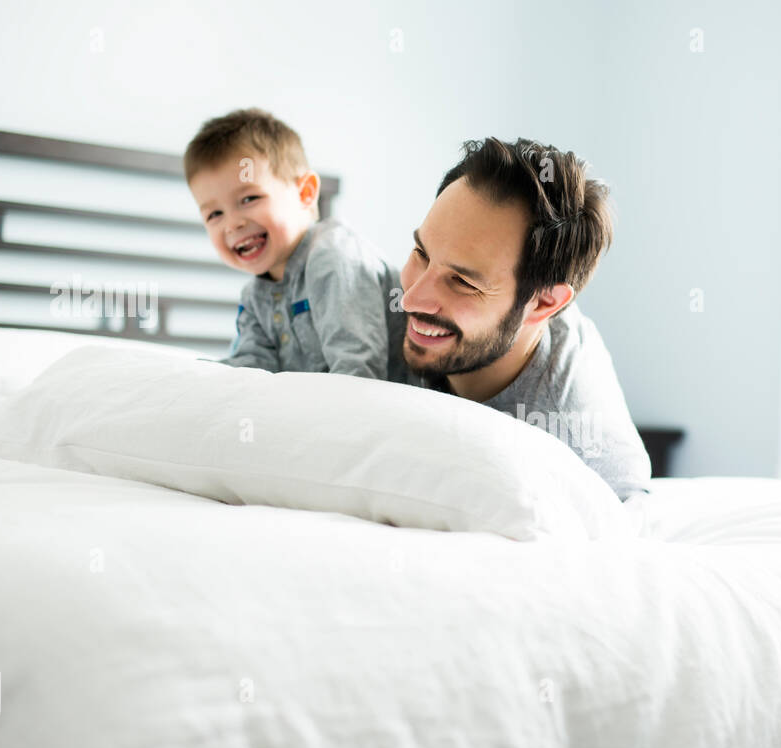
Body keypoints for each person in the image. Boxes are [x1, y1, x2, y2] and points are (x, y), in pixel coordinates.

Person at [390, 137, 651, 500]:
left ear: (544, 304)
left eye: (463, 281)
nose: (411, 298)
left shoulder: (575, 438)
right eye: (421, 252)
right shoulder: (369, 297)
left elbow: (627, 521)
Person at [184, 108, 396, 376]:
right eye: (215, 214)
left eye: (249, 199)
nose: (232, 224)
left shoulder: (333, 259)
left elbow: (359, 371)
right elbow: (249, 372)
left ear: (305, 193)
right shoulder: (254, 296)